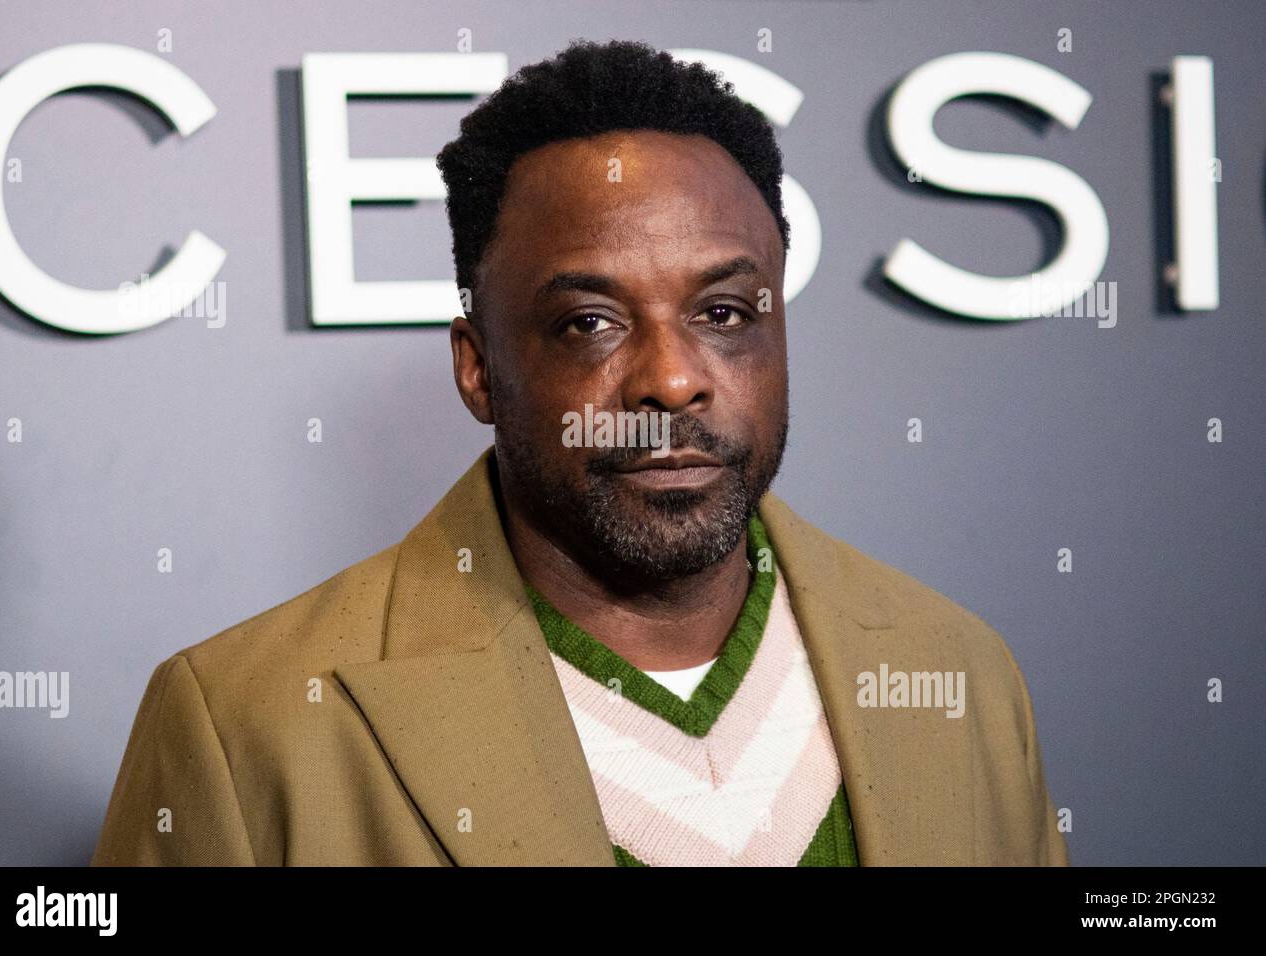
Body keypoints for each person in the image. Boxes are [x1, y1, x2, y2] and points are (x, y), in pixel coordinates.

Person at [91, 38, 1068, 866]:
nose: (672, 380)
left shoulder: (961, 670)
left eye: (723, 312)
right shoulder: (242, 723)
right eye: (591, 322)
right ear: (478, 369)